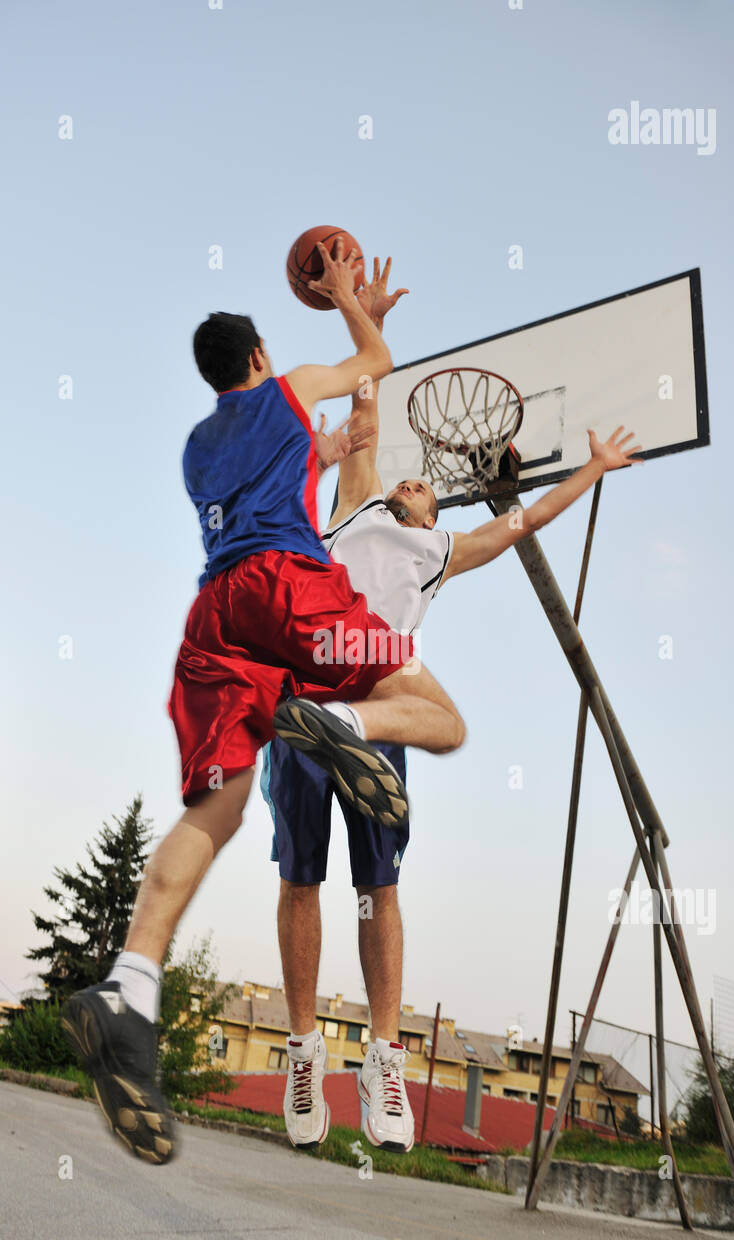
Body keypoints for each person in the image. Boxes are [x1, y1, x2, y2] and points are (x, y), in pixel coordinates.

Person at [61, 242, 466, 1165]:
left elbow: (302, 458)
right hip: (287, 594)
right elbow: (376, 366)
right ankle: (343, 721)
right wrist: (350, 303)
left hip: (216, 621)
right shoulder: (286, 390)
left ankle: (130, 984)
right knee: (441, 718)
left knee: (219, 806)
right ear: (258, 358)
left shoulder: (199, 450)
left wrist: (340, 441)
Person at [263, 259, 642, 1154]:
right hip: (309, 688)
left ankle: (384, 1060)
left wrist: (591, 465)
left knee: (380, 886)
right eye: (402, 478)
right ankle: (307, 1048)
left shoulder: (439, 550)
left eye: (423, 486)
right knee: (299, 878)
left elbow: (527, 522)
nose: (407, 484)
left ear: (439, 501)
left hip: (376, 713)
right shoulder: (355, 509)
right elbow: (368, 394)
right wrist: (362, 311)